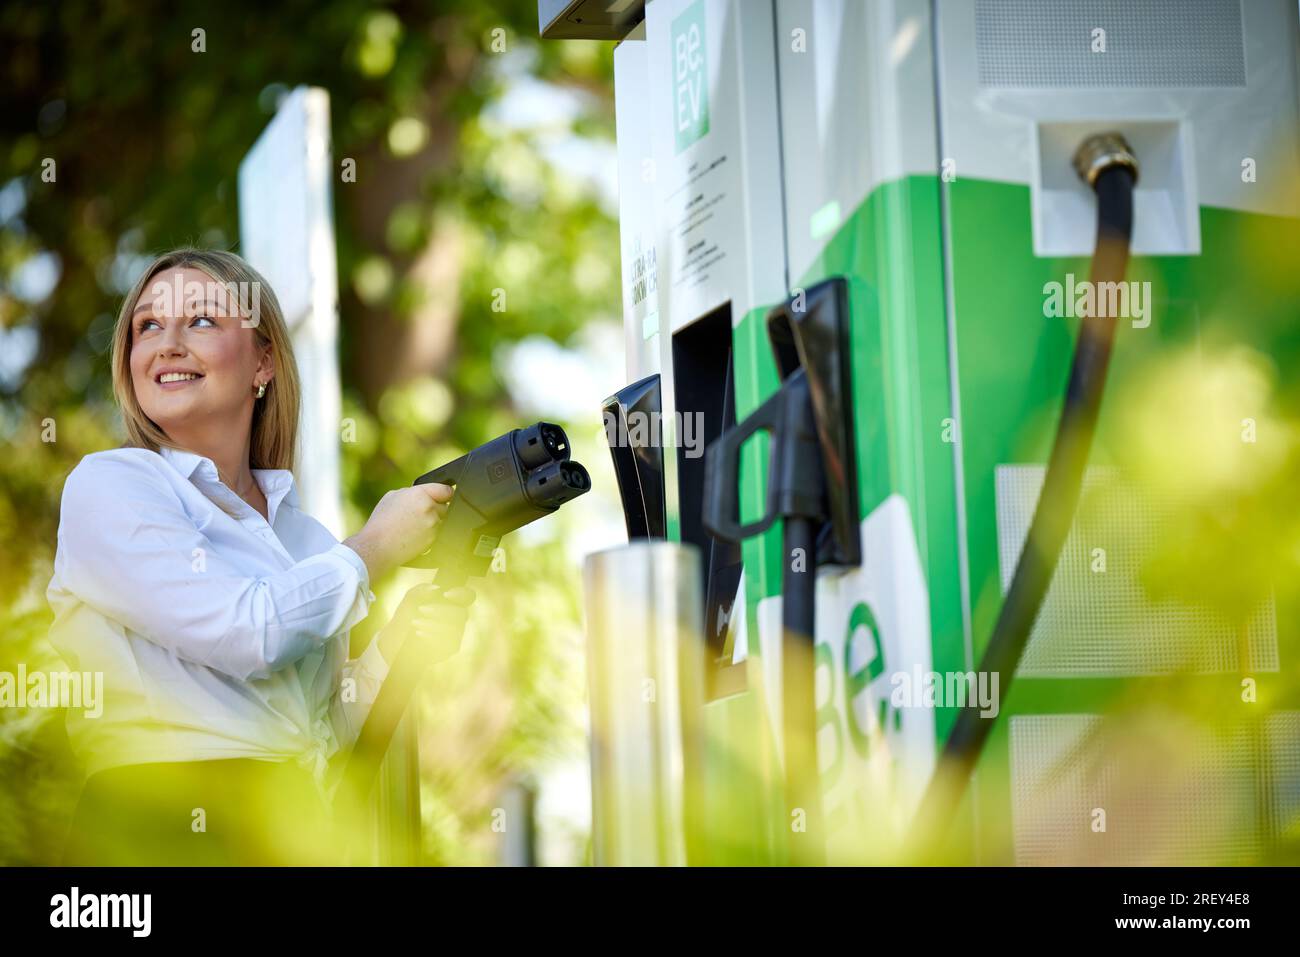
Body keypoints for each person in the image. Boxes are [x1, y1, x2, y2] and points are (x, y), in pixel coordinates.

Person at [47, 247, 467, 865]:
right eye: (148, 326)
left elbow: (320, 733)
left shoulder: (307, 541)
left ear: (264, 360)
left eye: (202, 321)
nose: (166, 344)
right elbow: (246, 631)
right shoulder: (110, 486)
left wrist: (400, 644)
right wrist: (374, 548)